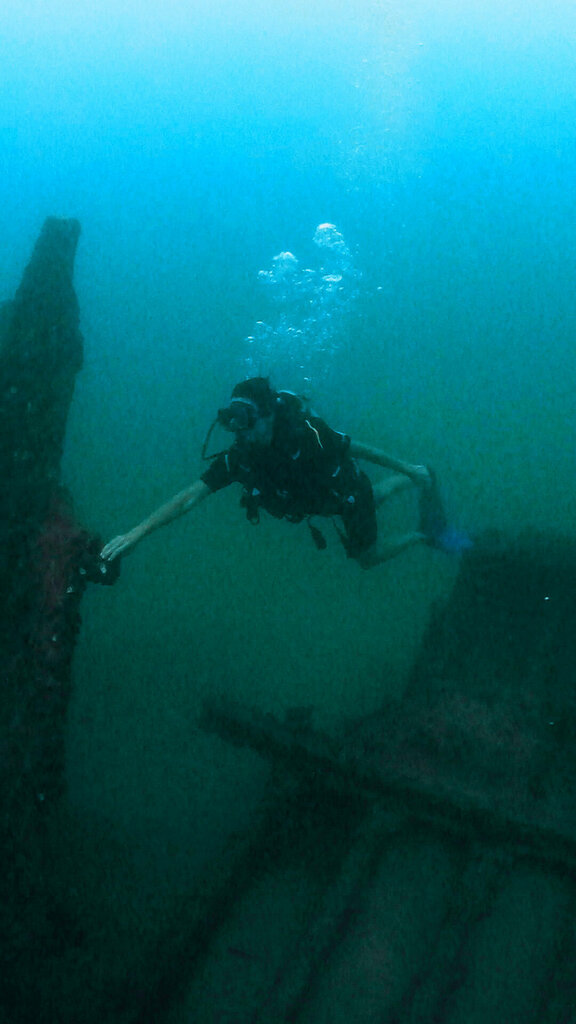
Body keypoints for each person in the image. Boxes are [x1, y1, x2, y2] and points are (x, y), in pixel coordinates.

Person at [101, 377, 459, 570]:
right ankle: (418, 475)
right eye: (234, 423)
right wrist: (139, 531)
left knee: (366, 557)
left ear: (270, 414)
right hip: (325, 503)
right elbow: (190, 496)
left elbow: (356, 447)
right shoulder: (243, 457)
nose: (241, 433)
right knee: (373, 499)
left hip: (344, 492)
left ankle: (421, 535)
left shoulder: (307, 435)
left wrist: (406, 467)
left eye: (248, 421)